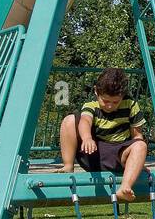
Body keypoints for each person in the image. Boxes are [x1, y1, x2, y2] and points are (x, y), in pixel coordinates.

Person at [58, 67, 148, 202]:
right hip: (94, 154)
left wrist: (138, 161)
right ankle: (68, 166)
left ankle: (125, 188)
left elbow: (137, 136)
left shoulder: (131, 105)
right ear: (96, 91)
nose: (110, 106)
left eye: (115, 102)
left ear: (122, 96)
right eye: (105, 101)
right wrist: (87, 138)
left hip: (117, 156)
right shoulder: (91, 105)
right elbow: (85, 121)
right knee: (69, 120)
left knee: (141, 145)